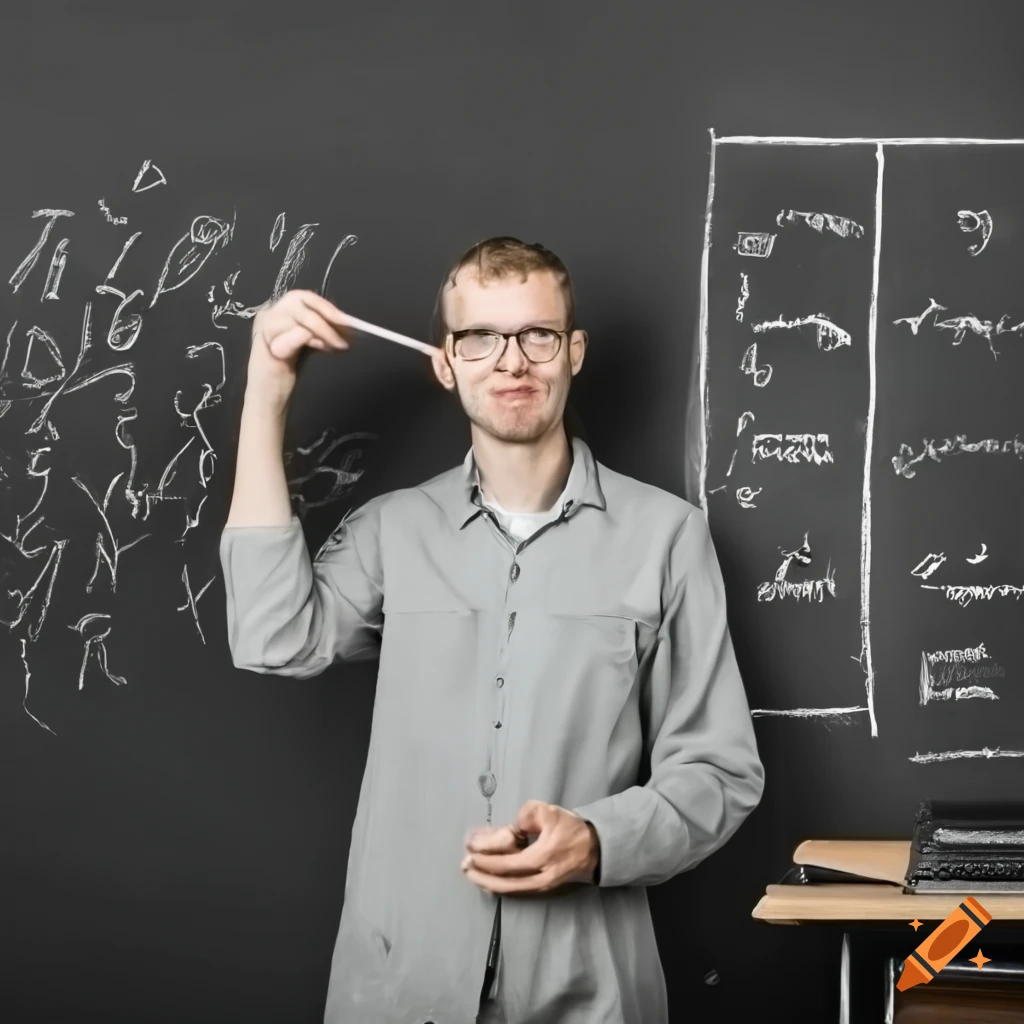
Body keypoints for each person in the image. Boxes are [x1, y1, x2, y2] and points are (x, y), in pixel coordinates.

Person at [219, 237, 764, 1024]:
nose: (512, 362)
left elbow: (720, 770)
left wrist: (600, 839)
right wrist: (267, 388)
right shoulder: (392, 530)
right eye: (480, 337)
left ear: (573, 352)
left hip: (589, 993)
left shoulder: (667, 537)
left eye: (537, 334)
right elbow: (272, 638)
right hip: (398, 991)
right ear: (446, 362)